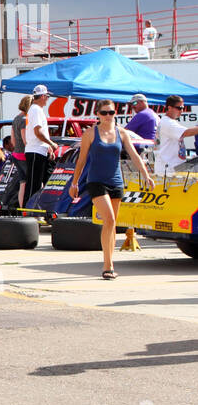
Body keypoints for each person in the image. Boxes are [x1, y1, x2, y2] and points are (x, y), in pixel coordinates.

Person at [69, 99, 153, 279]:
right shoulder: (90, 134)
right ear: (98, 115)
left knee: (112, 223)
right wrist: (74, 183)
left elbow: (134, 155)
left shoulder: (121, 133)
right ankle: (108, 265)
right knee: (109, 219)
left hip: (116, 182)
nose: (108, 116)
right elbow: (81, 160)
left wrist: (146, 175)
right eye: (104, 113)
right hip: (96, 181)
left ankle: (109, 259)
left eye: (111, 112)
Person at [24, 85, 58, 194]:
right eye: (47, 96)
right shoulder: (36, 110)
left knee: (36, 183)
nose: (48, 99)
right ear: (42, 96)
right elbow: (37, 132)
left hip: (36, 150)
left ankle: (30, 207)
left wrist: (48, 146)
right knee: (34, 183)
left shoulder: (34, 109)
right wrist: (51, 143)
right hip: (35, 150)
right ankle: (28, 209)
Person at [155, 95, 198, 177]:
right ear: (169, 108)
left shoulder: (169, 121)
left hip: (172, 168)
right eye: (179, 108)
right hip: (168, 170)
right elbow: (187, 132)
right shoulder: (167, 123)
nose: (181, 111)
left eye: (183, 108)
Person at [10, 95, 31, 206]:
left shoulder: (16, 119)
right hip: (24, 154)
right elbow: (25, 140)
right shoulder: (24, 120)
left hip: (16, 154)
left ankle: (22, 208)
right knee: (34, 181)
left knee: (23, 183)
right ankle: (32, 206)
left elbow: (13, 141)